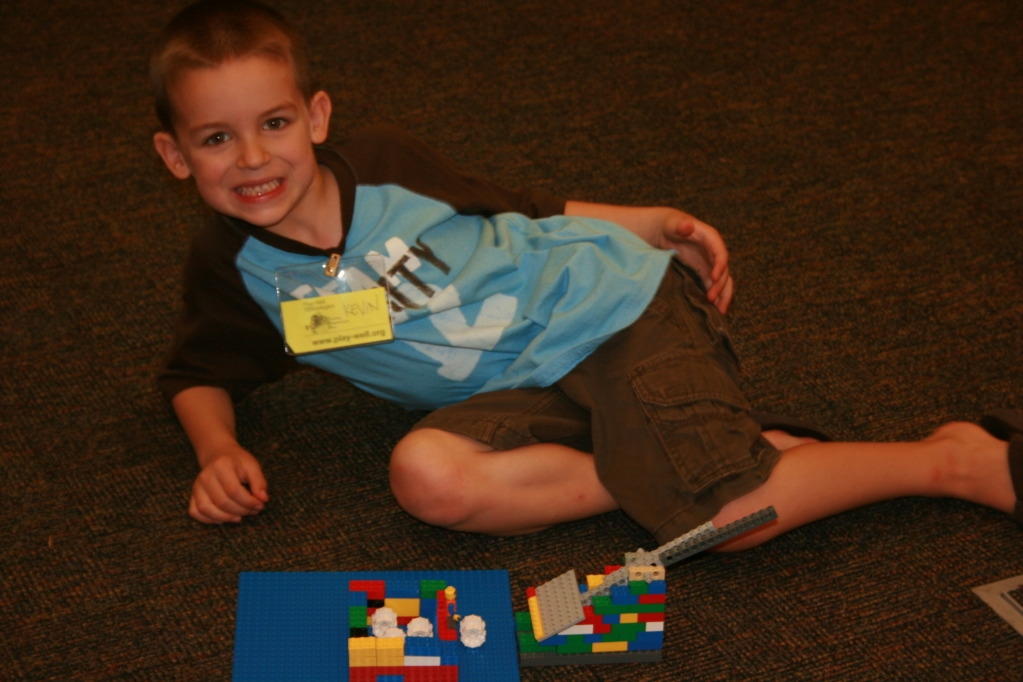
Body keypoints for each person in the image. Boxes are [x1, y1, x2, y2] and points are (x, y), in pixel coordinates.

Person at [150, 0, 1021, 548]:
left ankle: (950, 460)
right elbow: (198, 374)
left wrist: (647, 222)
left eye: (274, 122)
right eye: (217, 138)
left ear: (317, 115)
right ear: (176, 156)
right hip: (526, 386)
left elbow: (517, 205)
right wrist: (218, 448)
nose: (254, 157)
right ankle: (681, 456)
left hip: (608, 310)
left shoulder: (379, 162)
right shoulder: (233, 270)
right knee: (426, 478)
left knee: (726, 525)